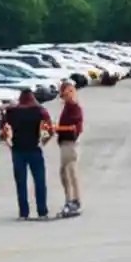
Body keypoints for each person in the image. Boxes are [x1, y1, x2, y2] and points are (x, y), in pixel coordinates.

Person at [0, 89, 54, 220]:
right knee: (39, 181)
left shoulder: (12, 112)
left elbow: (2, 128)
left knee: (21, 182)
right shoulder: (40, 110)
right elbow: (49, 129)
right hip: (34, 148)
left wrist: (8, 142)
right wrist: (43, 141)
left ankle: (24, 212)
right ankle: (42, 211)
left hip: (18, 149)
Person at [54, 80, 84, 215]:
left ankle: (75, 201)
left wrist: (58, 128)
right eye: (64, 95)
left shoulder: (74, 108)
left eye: (68, 93)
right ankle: (70, 200)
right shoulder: (67, 107)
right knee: (64, 173)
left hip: (70, 144)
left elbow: (74, 128)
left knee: (70, 171)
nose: (65, 97)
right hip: (64, 144)